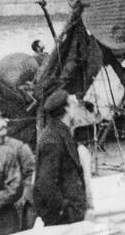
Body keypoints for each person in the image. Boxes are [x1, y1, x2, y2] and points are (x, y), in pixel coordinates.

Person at [33, 90, 90, 224]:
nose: (78, 110)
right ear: (67, 109)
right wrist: (65, 210)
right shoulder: (52, 140)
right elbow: (45, 184)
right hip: (63, 219)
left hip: (72, 214)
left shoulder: (61, 133)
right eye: (75, 106)